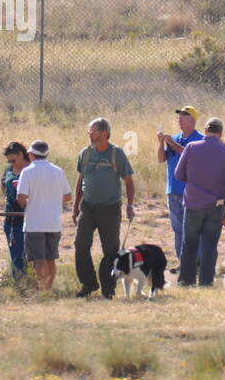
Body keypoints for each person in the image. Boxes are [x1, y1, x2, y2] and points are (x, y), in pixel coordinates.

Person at [72, 117, 136, 297]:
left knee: (110, 250)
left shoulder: (117, 154)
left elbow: (129, 182)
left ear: (104, 133)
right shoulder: (85, 153)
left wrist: (130, 205)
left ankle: (108, 289)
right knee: (81, 245)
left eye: (93, 131)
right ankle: (88, 283)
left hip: (109, 208)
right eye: (90, 131)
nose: (90, 134)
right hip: (88, 207)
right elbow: (80, 180)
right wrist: (76, 206)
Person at [173, 117, 225, 288]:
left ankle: (186, 280)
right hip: (217, 205)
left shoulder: (192, 148)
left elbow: (179, 175)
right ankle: (206, 281)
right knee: (209, 244)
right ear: (221, 133)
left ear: (206, 131)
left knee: (189, 243)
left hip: (193, 203)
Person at [17, 140, 72, 292]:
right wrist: (53, 200)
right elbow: (68, 196)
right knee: (50, 258)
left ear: (30, 154)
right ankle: (48, 288)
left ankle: (41, 289)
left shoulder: (27, 172)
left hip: (34, 222)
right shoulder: (58, 171)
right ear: (47, 154)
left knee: (39, 259)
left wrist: (28, 203)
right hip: (53, 222)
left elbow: (21, 197)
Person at [156, 105, 203, 264]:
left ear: (192, 120)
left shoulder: (200, 138)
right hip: (173, 189)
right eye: (179, 116)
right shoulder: (174, 138)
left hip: (191, 191)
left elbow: (192, 155)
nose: (179, 119)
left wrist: (170, 143)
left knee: (192, 229)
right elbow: (161, 159)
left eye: (183, 116)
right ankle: (184, 263)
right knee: (178, 230)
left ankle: (196, 262)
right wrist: (161, 143)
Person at [0, 141, 31, 277]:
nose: (11, 164)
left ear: (21, 154)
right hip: (11, 217)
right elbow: (3, 186)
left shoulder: (31, 168)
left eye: (13, 160)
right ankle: (18, 280)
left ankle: (32, 280)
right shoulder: (8, 170)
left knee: (30, 252)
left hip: (29, 217)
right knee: (15, 253)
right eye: (9, 161)